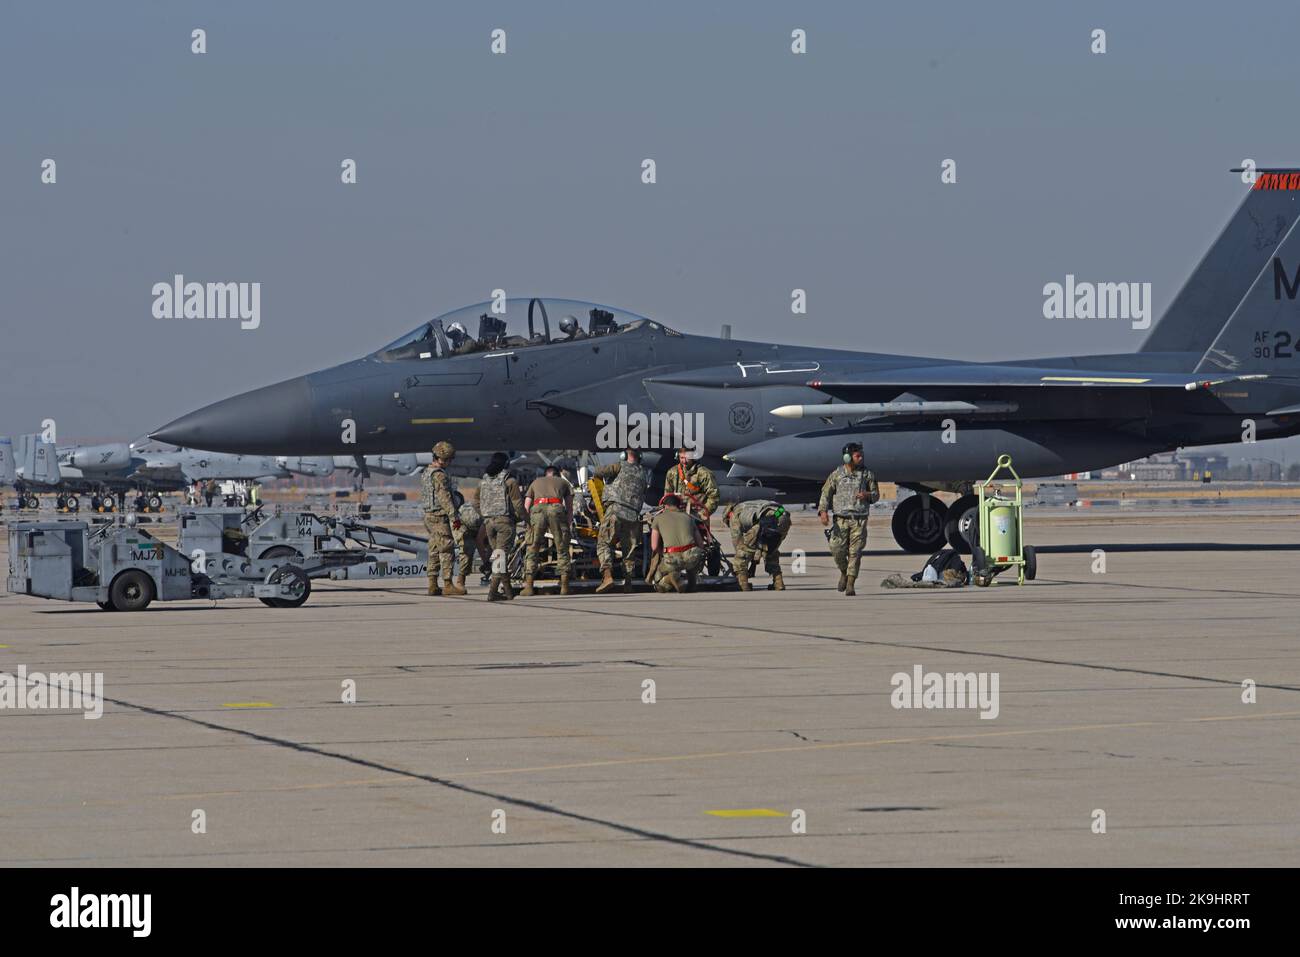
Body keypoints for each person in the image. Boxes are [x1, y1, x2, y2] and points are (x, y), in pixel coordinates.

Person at [817, 442, 879, 596]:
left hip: (859, 519)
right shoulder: (837, 474)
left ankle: (851, 583)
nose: (861, 458)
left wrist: (867, 495)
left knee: (855, 552)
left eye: (861, 455)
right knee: (836, 549)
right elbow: (826, 493)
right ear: (847, 458)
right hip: (840, 520)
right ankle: (844, 572)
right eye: (857, 455)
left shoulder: (867, 474)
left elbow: (876, 495)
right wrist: (823, 511)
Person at [593, 449, 649, 593]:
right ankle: (628, 583)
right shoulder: (643, 473)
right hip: (633, 515)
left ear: (624, 455)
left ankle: (607, 576)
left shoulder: (619, 466)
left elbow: (599, 471)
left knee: (604, 543)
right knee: (629, 550)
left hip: (616, 510)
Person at [477, 452, 525, 601]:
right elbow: (518, 504)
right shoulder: (510, 481)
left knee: (498, 556)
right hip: (504, 523)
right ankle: (493, 592)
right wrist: (524, 519)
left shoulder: (483, 482)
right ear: (506, 465)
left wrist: (486, 515)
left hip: (489, 524)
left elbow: (475, 502)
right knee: (500, 557)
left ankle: (509, 591)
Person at [421, 441, 465, 596]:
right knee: (447, 549)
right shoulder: (439, 475)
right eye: (448, 459)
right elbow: (444, 497)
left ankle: (432, 583)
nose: (449, 462)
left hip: (428, 515)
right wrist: (454, 516)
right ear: (443, 458)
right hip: (439, 517)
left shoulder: (427, 472)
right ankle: (447, 584)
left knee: (433, 549)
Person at [521, 464, 573, 596]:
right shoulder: (563, 482)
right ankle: (564, 586)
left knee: (533, 547)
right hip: (556, 508)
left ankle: (529, 587)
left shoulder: (535, 482)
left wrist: (528, 523)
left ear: (546, 474)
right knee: (562, 547)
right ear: (557, 474)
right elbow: (569, 506)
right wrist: (568, 523)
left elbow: (526, 506)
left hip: (537, 510)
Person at [723, 499, 792, 591]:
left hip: (766, 520)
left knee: (741, 556)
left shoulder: (733, 514)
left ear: (728, 515)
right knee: (770, 551)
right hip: (782, 516)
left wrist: (744, 564)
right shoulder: (746, 506)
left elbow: (738, 544)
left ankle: (743, 584)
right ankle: (778, 583)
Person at [648, 494, 703, 592]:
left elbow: (654, 546)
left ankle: (670, 579)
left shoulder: (658, 519)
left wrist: (664, 554)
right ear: (678, 505)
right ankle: (691, 582)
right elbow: (700, 544)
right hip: (692, 556)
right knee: (692, 562)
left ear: (665, 506)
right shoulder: (689, 518)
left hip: (672, 558)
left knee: (659, 584)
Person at [663, 447, 719, 521]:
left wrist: (703, 513)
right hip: (677, 516)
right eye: (682, 458)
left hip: (697, 516)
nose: (684, 461)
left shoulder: (704, 474)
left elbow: (714, 497)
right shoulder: (672, 472)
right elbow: (667, 496)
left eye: (687, 458)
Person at [453, 487, 487, 589]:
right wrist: (486, 561)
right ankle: (460, 581)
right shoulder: (486, 516)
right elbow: (479, 541)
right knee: (467, 551)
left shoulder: (483, 509)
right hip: (460, 524)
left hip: (471, 525)